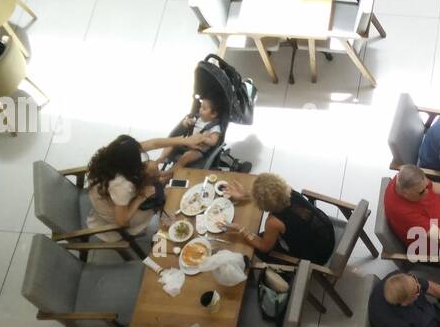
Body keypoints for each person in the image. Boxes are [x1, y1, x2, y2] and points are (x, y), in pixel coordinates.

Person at [85, 132, 215, 241]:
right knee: (168, 194)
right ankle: (163, 201)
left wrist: (185, 141)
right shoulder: (121, 185)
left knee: (152, 166)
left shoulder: (113, 154)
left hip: (111, 198)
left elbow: (153, 144)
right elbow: (121, 221)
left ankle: (162, 184)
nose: (140, 154)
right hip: (119, 216)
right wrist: (141, 198)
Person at [229, 173, 335, 264]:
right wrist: (246, 195)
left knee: (257, 248)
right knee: (265, 236)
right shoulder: (287, 190)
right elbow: (271, 195)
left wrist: (241, 229)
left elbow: (264, 247)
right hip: (325, 232)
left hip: (318, 255)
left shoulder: (273, 222)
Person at [159, 92, 228, 169]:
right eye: (200, 107)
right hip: (188, 143)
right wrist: (186, 122)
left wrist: (204, 138)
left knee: (185, 157)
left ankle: (170, 172)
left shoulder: (215, 127)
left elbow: (213, 141)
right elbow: (186, 124)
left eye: (204, 109)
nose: (200, 110)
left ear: (213, 114)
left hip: (198, 150)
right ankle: (160, 160)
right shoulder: (197, 118)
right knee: (171, 143)